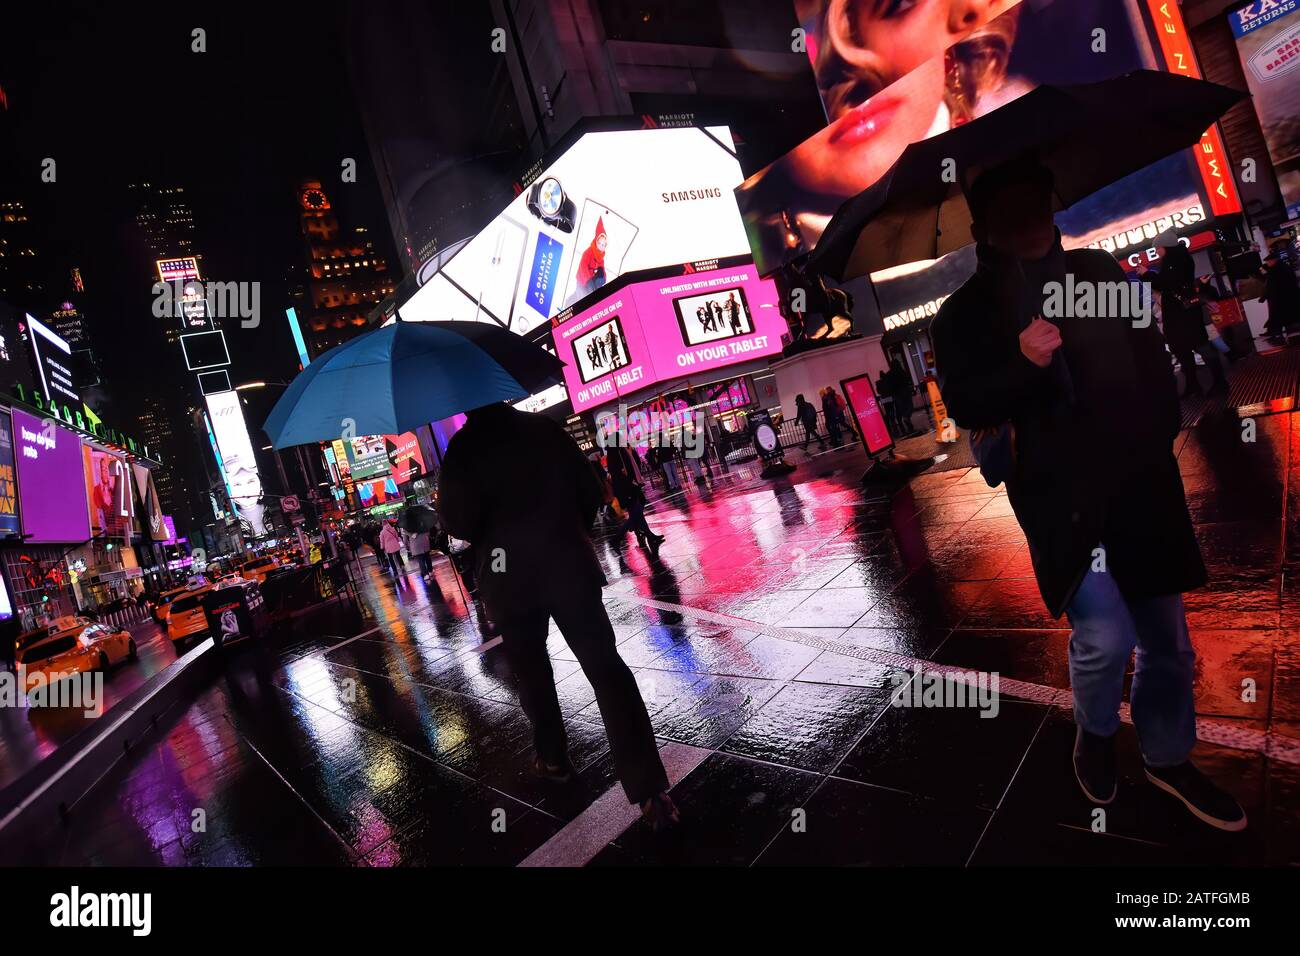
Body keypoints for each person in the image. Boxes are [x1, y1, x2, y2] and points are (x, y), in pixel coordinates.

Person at [931, 156, 1244, 831]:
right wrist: (1025, 360)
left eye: (1040, 205)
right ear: (985, 227)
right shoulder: (964, 316)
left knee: (1169, 642)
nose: (1034, 223)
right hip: (1061, 500)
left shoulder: (1098, 274)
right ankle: (1095, 732)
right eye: (1014, 212)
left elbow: (1152, 362)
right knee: (1105, 634)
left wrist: (1156, 435)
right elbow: (966, 401)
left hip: (1139, 485)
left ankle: (1167, 757)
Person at [437, 403, 678, 830]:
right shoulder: (543, 429)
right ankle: (650, 789)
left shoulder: (461, 449)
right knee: (606, 669)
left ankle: (553, 758)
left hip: (505, 575)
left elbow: (458, 523)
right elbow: (589, 491)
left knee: (533, 674)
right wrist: (570, 531)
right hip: (567, 561)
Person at [1148, 233, 1227, 397]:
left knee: (1195, 349)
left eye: (1157, 248)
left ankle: (1208, 384)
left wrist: (1146, 275)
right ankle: (1198, 385)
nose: (1156, 251)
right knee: (1191, 349)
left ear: (1165, 246)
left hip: (1182, 315)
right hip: (1185, 314)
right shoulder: (1180, 258)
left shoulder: (1173, 262)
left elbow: (1164, 284)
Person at [606, 442, 664, 554]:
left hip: (625, 488)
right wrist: (632, 483)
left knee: (638, 513)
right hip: (628, 488)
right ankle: (616, 539)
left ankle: (650, 536)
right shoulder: (617, 451)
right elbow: (623, 471)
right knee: (636, 513)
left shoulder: (612, 452)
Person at [1259, 250, 1300, 343]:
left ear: (1273, 260)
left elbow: (1272, 286)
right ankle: (1291, 337)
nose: (1267, 263)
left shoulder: (1275, 271)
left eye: (1268, 262)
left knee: (1280, 318)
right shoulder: (1284, 267)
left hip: (1280, 299)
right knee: (1290, 318)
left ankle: (1280, 338)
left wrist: (1264, 297)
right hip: (1290, 297)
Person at [887, 359, 917, 436]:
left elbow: (889, 385)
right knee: (909, 406)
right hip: (905, 391)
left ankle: (905, 418)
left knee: (901, 408)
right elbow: (907, 380)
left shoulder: (890, 374)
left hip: (897, 394)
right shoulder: (902, 371)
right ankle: (907, 418)